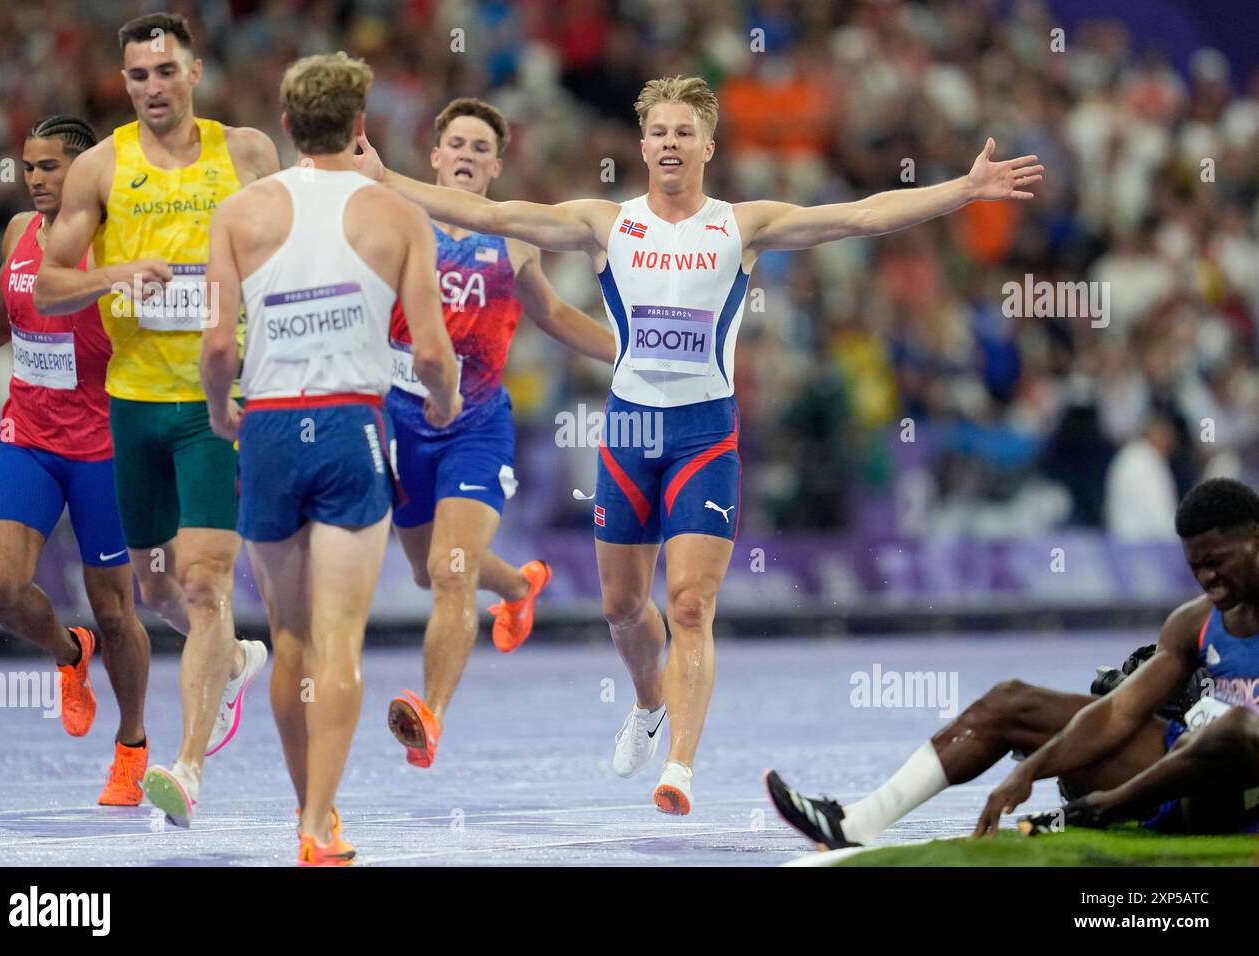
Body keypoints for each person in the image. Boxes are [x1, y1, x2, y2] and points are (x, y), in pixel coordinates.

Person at [356, 75, 1043, 812]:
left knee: (688, 606)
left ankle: (678, 765)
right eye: (660, 132)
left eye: (686, 132)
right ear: (644, 145)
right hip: (628, 434)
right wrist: (385, 177)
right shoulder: (603, 223)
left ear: (708, 146)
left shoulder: (740, 226)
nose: (672, 143)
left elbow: (860, 217)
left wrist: (962, 191)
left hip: (703, 436)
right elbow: (488, 210)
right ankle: (649, 704)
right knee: (623, 607)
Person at [201, 51, 459, 864]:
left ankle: (310, 812)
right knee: (342, 639)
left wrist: (221, 412)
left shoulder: (240, 213)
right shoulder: (395, 213)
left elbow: (216, 344)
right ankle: (319, 827)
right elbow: (431, 355)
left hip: (271, 429)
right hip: (352, 428)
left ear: (285, 126)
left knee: (292, 641)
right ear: (360, 125)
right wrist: (446, 404)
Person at [34, 12, 280, 825]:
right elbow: (46, 284)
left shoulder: (245, 153)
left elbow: (282, 262)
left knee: (206, 585)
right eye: (137, 76)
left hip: (215, 404)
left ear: (195, 72)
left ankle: (185, 767)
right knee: (158, 588)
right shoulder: (102, 167)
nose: (151, 88)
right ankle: (237, 659)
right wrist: (114, 273)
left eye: (164, 71)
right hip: (133, 406)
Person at [766, 477, 1259, 848]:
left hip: (1235, 792)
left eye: (1217, 560)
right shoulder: (1195, 620)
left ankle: (1105, 808)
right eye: (1196, 566)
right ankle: (855, 824)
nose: (1207, 578)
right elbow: (1118, 714)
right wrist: (1029, 772)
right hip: (1180, 767)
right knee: (1010, 702)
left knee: (1234, 730)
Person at [383, 97, 616, 768]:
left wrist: (625, 353)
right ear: (433, 156)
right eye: (454, 143)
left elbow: (553, 315)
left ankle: (430, 716)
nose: (465, 155)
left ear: (495, 164)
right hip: (403, 423)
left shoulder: (515, 237)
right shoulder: (400, 224)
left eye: (480, 147)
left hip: (475, 428)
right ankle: (518, 586)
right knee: (428, 571)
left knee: (451, 572)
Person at [0, 116, 151, 805]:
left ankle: (131, 745)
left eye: (51, 168)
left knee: (117, 610)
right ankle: (70, 654)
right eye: (29, 167)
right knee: (0, 589)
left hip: (104, 448)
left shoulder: (124, 249)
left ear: (88, 172)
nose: (37, 179)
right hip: (28, 439)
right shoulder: (18, 236)